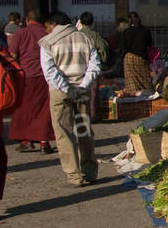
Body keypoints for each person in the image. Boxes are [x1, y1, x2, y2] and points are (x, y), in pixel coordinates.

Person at [37, 12, 100, 186]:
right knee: (84, 131)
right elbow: (94, 66)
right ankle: (89, 171)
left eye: (48, 26)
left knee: (64, 133)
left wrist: (67, 89)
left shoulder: (47, 43)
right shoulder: (85, 39)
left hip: (60, 92)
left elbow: (49, 72)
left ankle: (74, 175)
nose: (47, 30)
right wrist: (82, 86)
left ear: (55, 24)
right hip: (82, 91)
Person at [8, 11, 54, 154]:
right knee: (44, 109)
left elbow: (13, 55)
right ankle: (43, 142)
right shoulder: (48, 34)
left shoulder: (20, 34)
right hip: (46, 76)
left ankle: (26, 140)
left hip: (26, 76)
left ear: (26, 20)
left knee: (25, 108)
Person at [119, 11, 153, 95]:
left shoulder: (126, 32)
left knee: (132, 81)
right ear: (139, 19)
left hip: (129, 59)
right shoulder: (145, 30)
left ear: (129, 20)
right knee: (145, 79)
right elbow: (150, 43)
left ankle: (134, 96)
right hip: (141, 58)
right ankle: (148, 94)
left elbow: (123, 47)